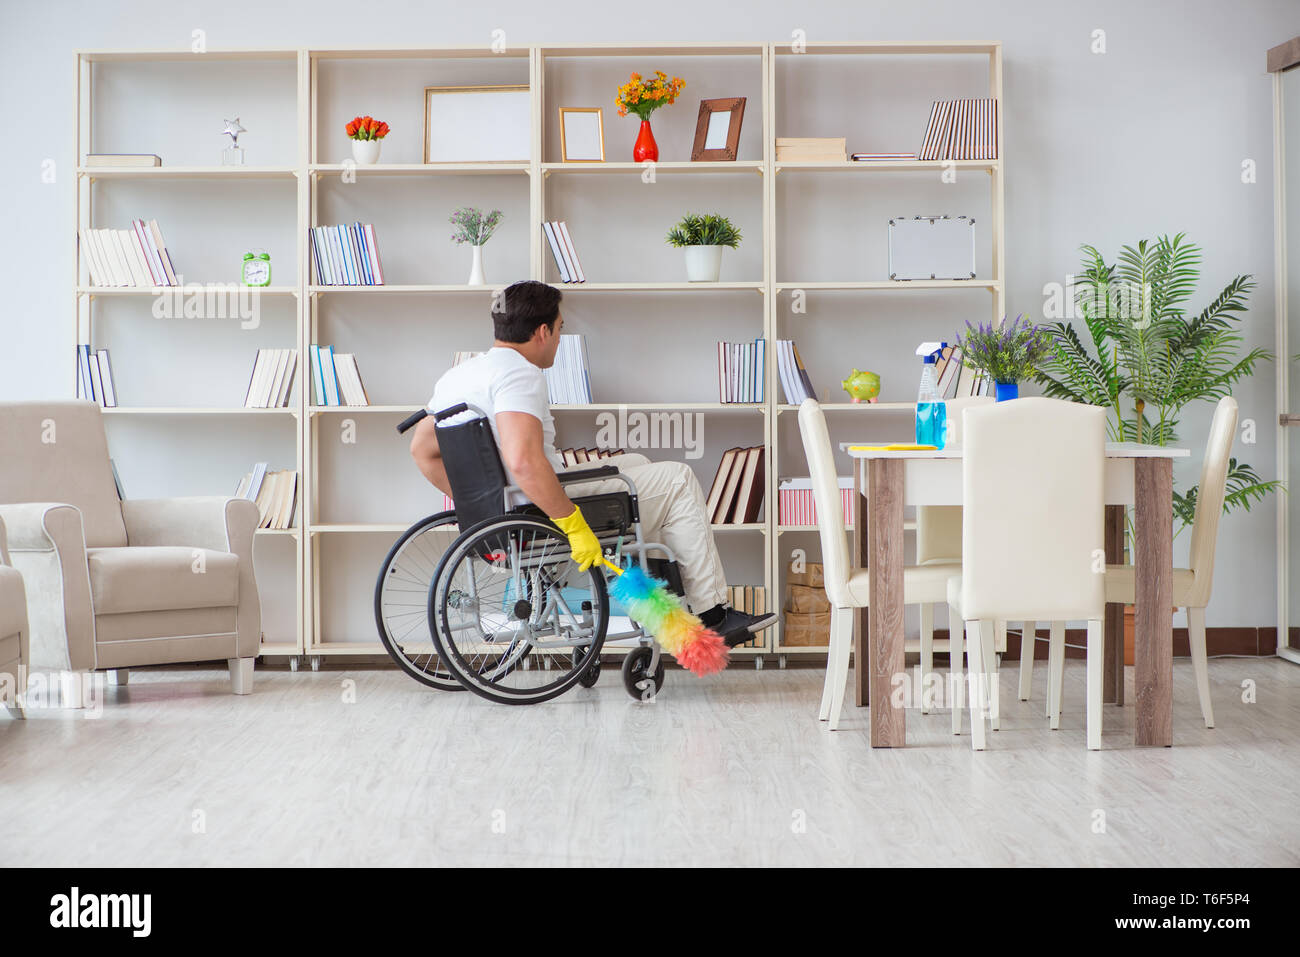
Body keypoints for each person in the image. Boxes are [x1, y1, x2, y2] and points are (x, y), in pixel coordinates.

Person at [409, 279, 776, 647]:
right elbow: (522, 461)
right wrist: (571, 524)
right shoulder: (520, 374)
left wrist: (482, 505)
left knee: (636, 461)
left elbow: (422, 451)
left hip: (506, 509)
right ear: (542, 331)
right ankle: (712, 614)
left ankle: (663, 604)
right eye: (559, 329)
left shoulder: (457, 377)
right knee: (677, 479)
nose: (558, 338)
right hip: (539, 510)